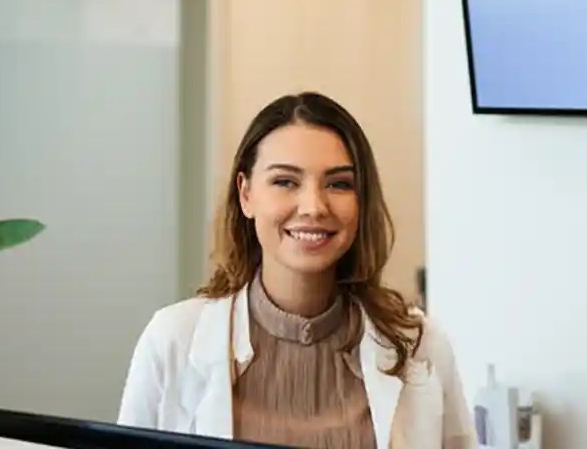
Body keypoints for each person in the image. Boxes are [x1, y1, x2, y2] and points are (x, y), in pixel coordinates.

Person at [118, 93, 475, 448]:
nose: (314, 207)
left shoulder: (419, 344)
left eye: (339, 184)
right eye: (285, 182)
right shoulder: (172, 340)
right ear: (246, 195)